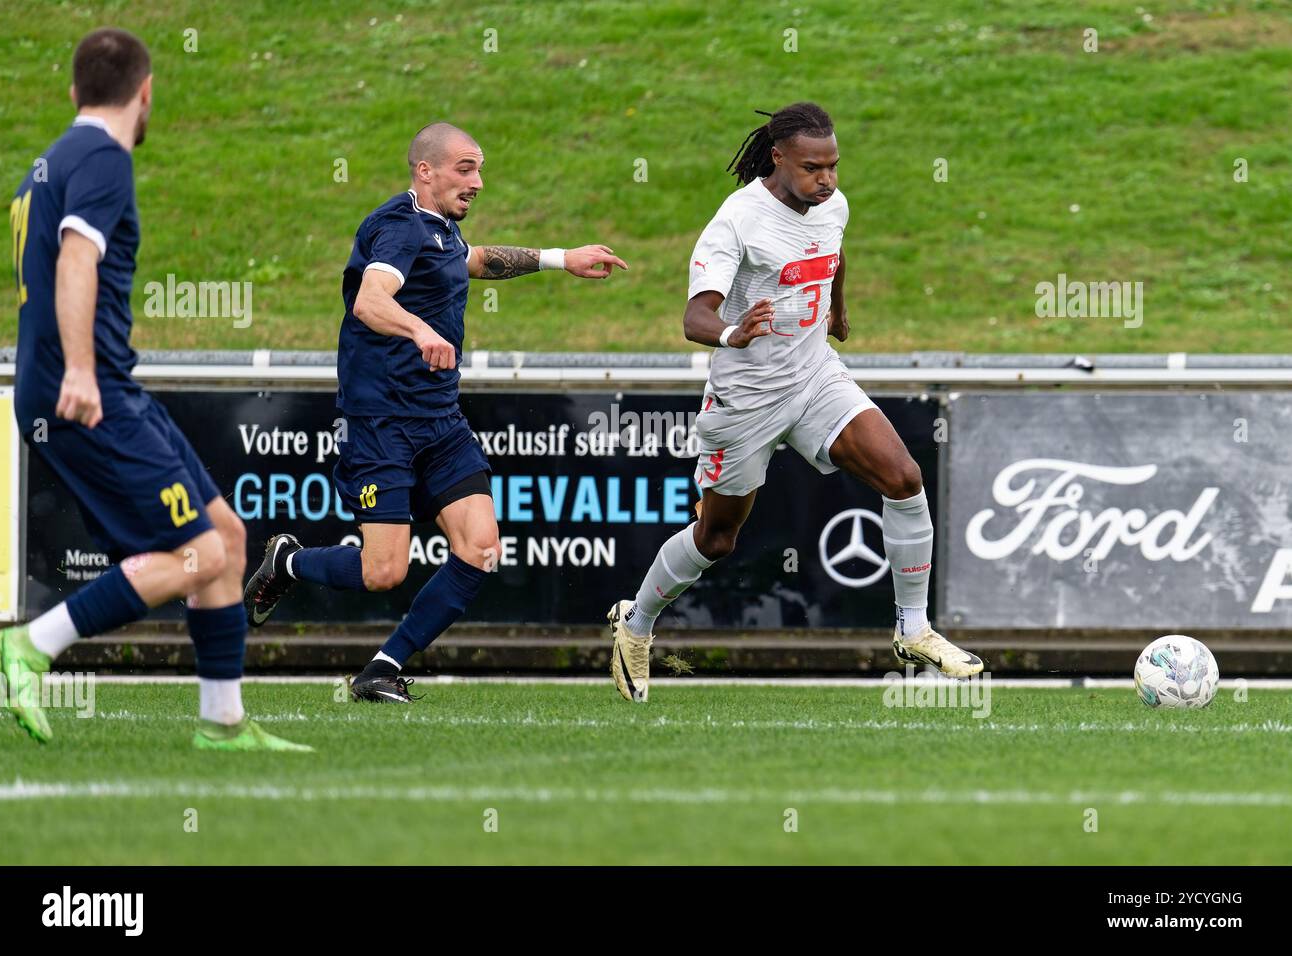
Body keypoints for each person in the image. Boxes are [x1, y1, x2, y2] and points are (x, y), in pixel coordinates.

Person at [0, 27, 310, 750]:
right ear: (145, 93)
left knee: (224, 539)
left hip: (95, 384)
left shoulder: (49, 161)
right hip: (88, 388)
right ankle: (31, 645)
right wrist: (80, 369)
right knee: (196, 553)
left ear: (74, 91)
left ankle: (224, 723)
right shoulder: (104, 157)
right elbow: (78, 260)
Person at [606, 102, 983, 703]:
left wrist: (837, 305)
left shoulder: (832, 203)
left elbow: (832, 249)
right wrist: (734, 332)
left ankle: (913, 629)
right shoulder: (735, 223)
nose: (827, 179)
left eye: (833, 165)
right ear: (778, 158)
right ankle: (637, 623)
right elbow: (694, 317)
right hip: (747, 397)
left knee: (905, 477)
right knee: (717, 538)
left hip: (813, 377)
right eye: (813, 168)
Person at [244, 122, 627, 703]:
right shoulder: (397, 228)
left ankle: (381, 668)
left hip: (441, 423)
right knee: (384, 573)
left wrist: (559, 258)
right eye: (464, 169)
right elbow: (372, 300)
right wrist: (420, 330)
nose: (477, 182)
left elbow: (474, 261)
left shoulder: (439, 227)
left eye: (479, 170)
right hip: (382, 424)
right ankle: (288, 563)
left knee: (481, 546)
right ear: (425, 170)